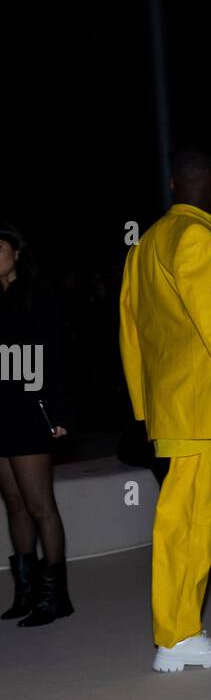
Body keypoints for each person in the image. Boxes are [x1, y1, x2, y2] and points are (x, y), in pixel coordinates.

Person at [119, 147, 211, 672]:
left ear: (174, 185)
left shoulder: (145, 245)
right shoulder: (198, 239)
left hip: (178, 409)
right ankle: (177, 635)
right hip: (209, 409)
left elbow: (132, 334)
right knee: (192, 520)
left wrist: (145, 408)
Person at [0, 220, 76, 626]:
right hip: (1, 410)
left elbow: (53, 355)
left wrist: (59, 412)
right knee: (14, 504)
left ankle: (55, 594)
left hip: (30, 409)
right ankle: (26, 591)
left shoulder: (36, 295)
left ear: (17, 254)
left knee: (39, 504)